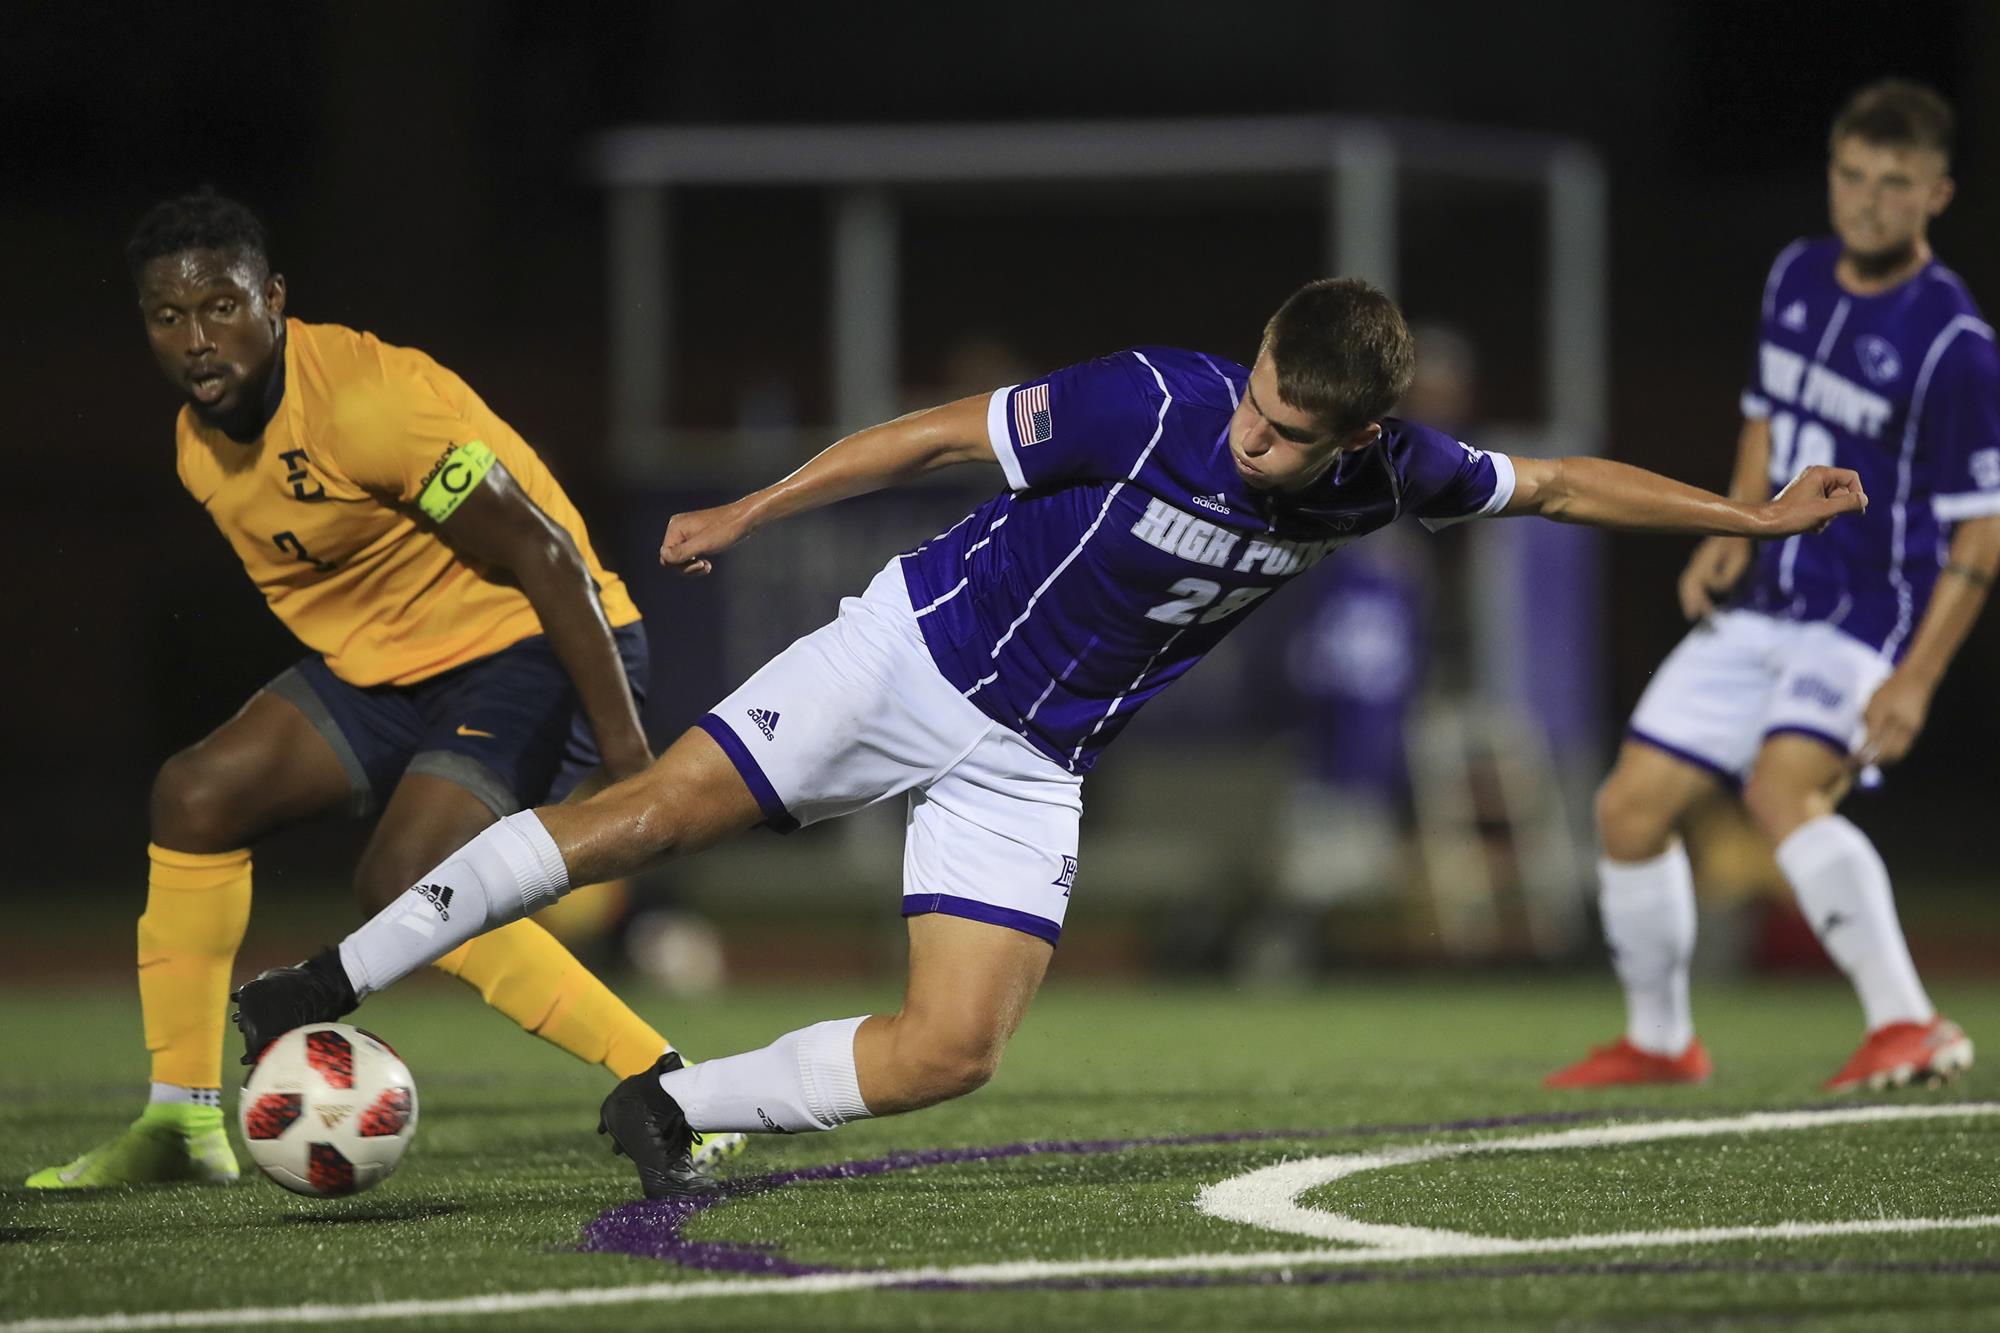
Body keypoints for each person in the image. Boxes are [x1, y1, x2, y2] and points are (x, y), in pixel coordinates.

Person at [234, 276, 1863, 1198]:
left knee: (956, 1046)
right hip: (909, 653)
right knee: (654, 815)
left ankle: (672, 1102)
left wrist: (1746, 512)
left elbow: (1564, 483)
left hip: (1031, 758)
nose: (1259, 436)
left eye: (1294, 432)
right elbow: (939, 435)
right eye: (1262, 402)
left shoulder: (1394, 469)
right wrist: (754, 500)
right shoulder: (1156, 397)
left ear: (1363, 433)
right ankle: (330, 979)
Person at [27, 190, 743, 1189]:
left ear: (273, 299)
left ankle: (673, 1086)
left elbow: (546, 562)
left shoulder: (363, 404)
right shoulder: (200, 444)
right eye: (168, 317)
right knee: (196, 794)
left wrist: (634, 772)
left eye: (221, 307)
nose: (197, 339)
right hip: (397, 672)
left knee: (403, 883)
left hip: (536, 642)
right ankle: (181, 1128)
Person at [1546, 80, 1998, 1093]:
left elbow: (1981, 529)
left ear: (1935, 193)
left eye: (1893, 183)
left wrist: (1917, 676)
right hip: (1763, 604)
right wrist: (1730, 524)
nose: (1865, 200)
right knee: (1626, 809)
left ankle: (1908, 1022)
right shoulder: (1794, 275)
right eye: (1850, 176)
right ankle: (1660, 1042)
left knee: (1778, 792)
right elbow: (1764, 412)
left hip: (1863, 621)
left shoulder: (1952, 345)